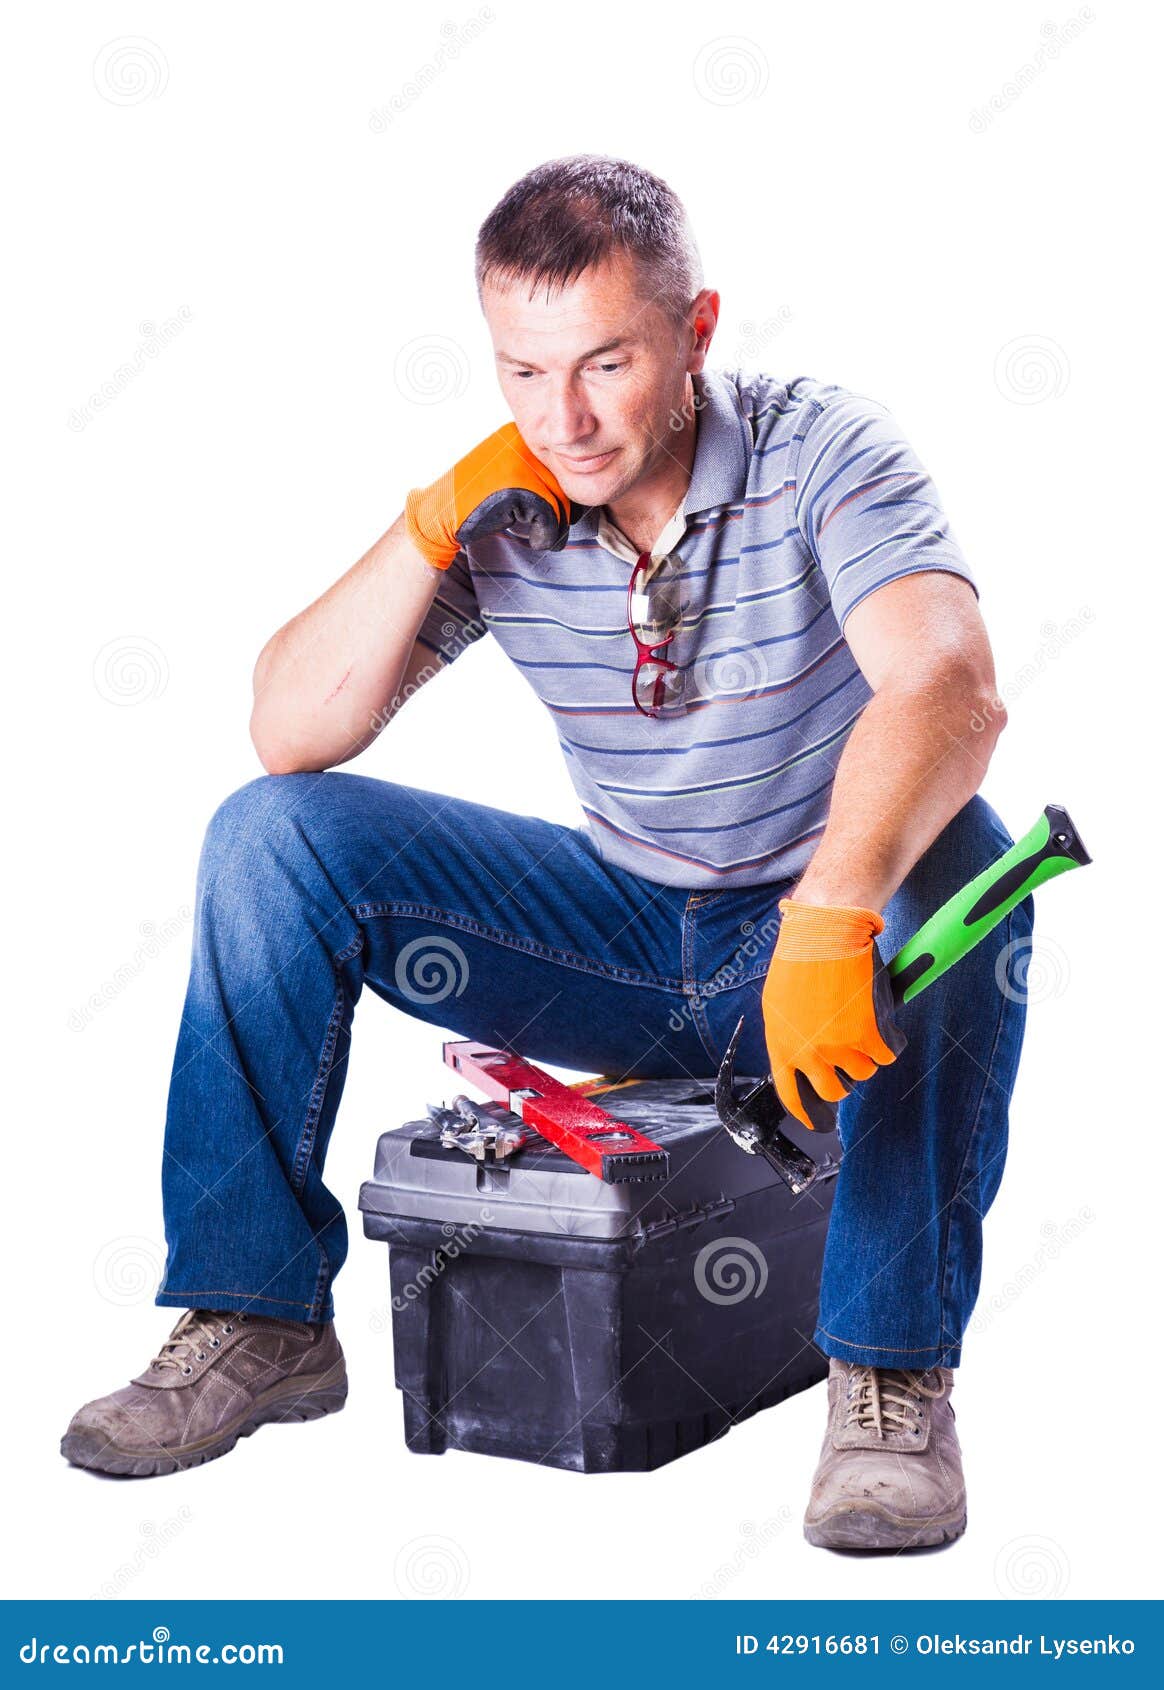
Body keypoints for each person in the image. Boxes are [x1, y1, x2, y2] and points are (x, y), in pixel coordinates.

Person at [61, 153, 1031, 1553]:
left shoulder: (828, 451)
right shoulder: (513, 501)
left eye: (605, 363)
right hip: (619, 935)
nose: (562, 418)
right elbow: (289, 725)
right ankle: (257, 1315)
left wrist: (829, 914)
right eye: (521, 371)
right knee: (269, 838)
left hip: (820, 935)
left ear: (696, 333)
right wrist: (427, 523)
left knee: (975, 865)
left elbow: (951, 687)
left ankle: (884, 1372)